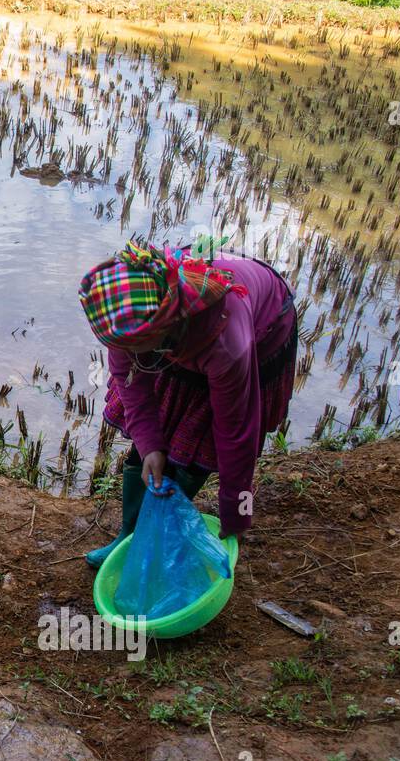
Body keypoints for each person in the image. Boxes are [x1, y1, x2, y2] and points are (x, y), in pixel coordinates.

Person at [77, 241, 298, 567]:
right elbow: (131, 384)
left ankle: (155, 541)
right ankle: (130, 535)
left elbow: (239, 435)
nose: (121, 351)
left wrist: (237, 514)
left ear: (162, 327)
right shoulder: (129, 316)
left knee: (198, 448)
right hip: (184, 328)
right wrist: (150, 444)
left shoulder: (229, 346)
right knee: (151, 445)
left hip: (262, 321)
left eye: (131, 346)